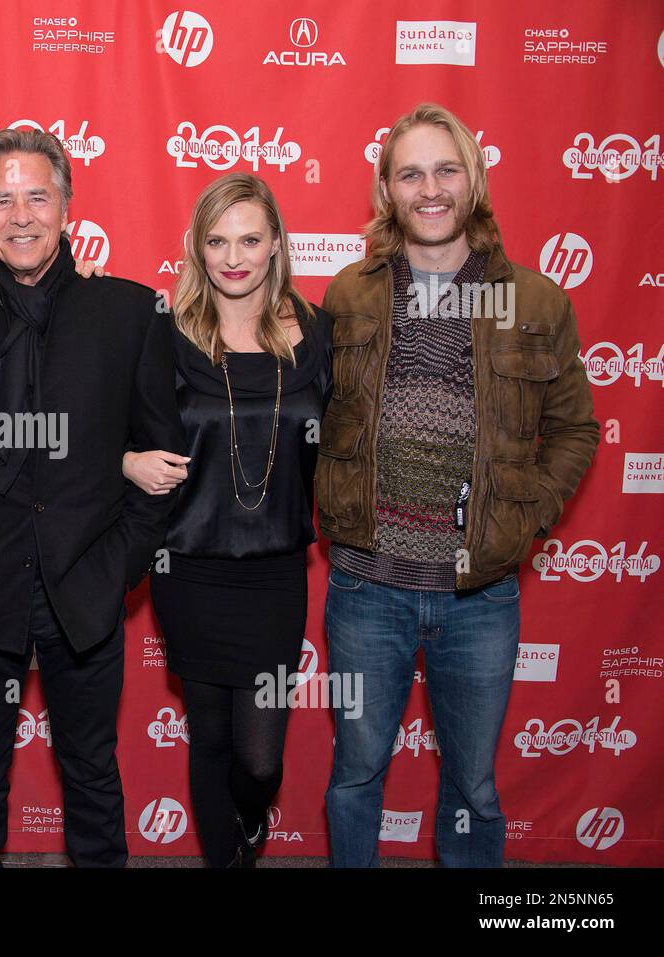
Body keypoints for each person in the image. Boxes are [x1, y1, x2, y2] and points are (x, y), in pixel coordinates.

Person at [317, 103, 598, 867]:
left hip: (480, 595)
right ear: (387, 188)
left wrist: (528, 513)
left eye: (446, 169)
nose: (430, 188)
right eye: (411, 172)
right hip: (366, 587)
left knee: (473, 786)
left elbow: (575, 428)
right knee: (355, 776)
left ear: (474, 179)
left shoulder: (534, 301)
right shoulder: (350, 295)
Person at [0, 129, 184, 867]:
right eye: (2, 198)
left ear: (66, 205)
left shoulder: (129, 315)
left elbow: (162, 456)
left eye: (37, 196)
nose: (21, 216)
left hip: (83, 589)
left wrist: (118, 564)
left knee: (91, 772)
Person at [125, 173, 333, 867]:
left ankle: (247, 828)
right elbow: (102, 419)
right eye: (217, 240)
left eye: (249, 238)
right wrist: (128, 462)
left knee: (259, 758)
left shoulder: (318, 332)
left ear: (275, 243)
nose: (233, 256)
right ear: (197, 247)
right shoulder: (162, 331)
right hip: (188, 566)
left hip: (275, 572)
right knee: (209, 735)